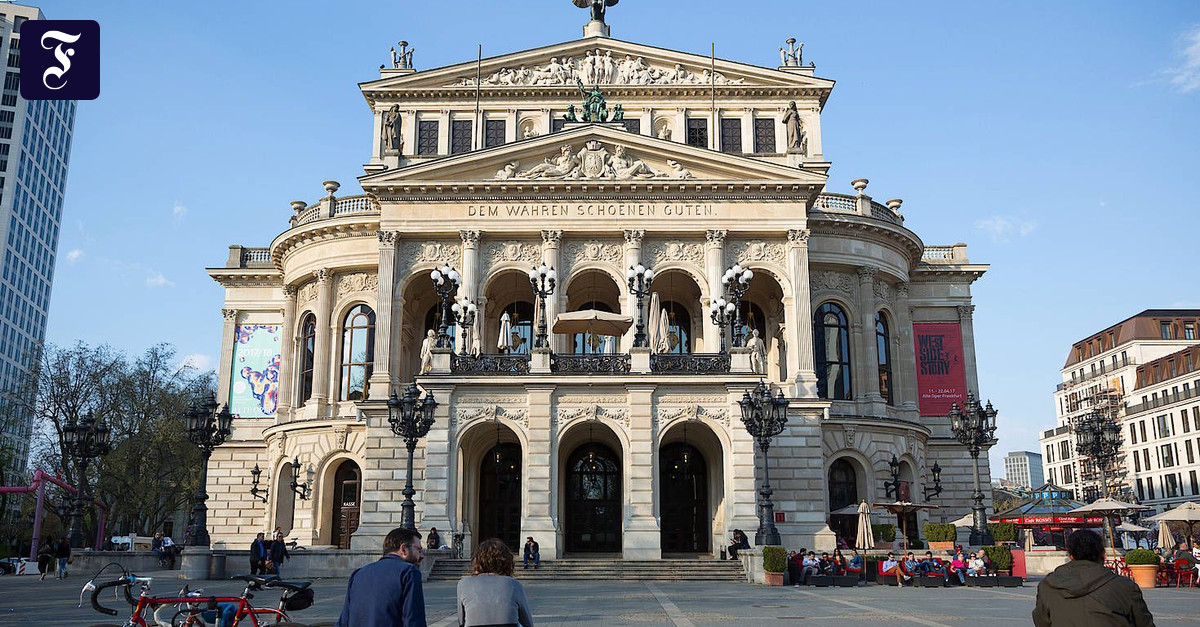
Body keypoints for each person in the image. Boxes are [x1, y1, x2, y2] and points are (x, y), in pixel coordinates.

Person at [1033, 529, 1155, 627]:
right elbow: (1144, 622)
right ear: (1103, 554)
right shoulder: (1124, 587)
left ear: (1071, 555)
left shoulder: (1048, 586)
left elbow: (1041, 622)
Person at [335, 527, 427, 627]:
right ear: (403, 549)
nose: (421, 556)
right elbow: (413, 620)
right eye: (418, 550)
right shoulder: (408, 572)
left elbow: (344, 621)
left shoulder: (358, 574)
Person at [457, 538, 534, 627]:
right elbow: (527, 622)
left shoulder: (463, 583)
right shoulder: (513, 584)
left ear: (476, 561)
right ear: (506, 561)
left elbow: (461, 620)